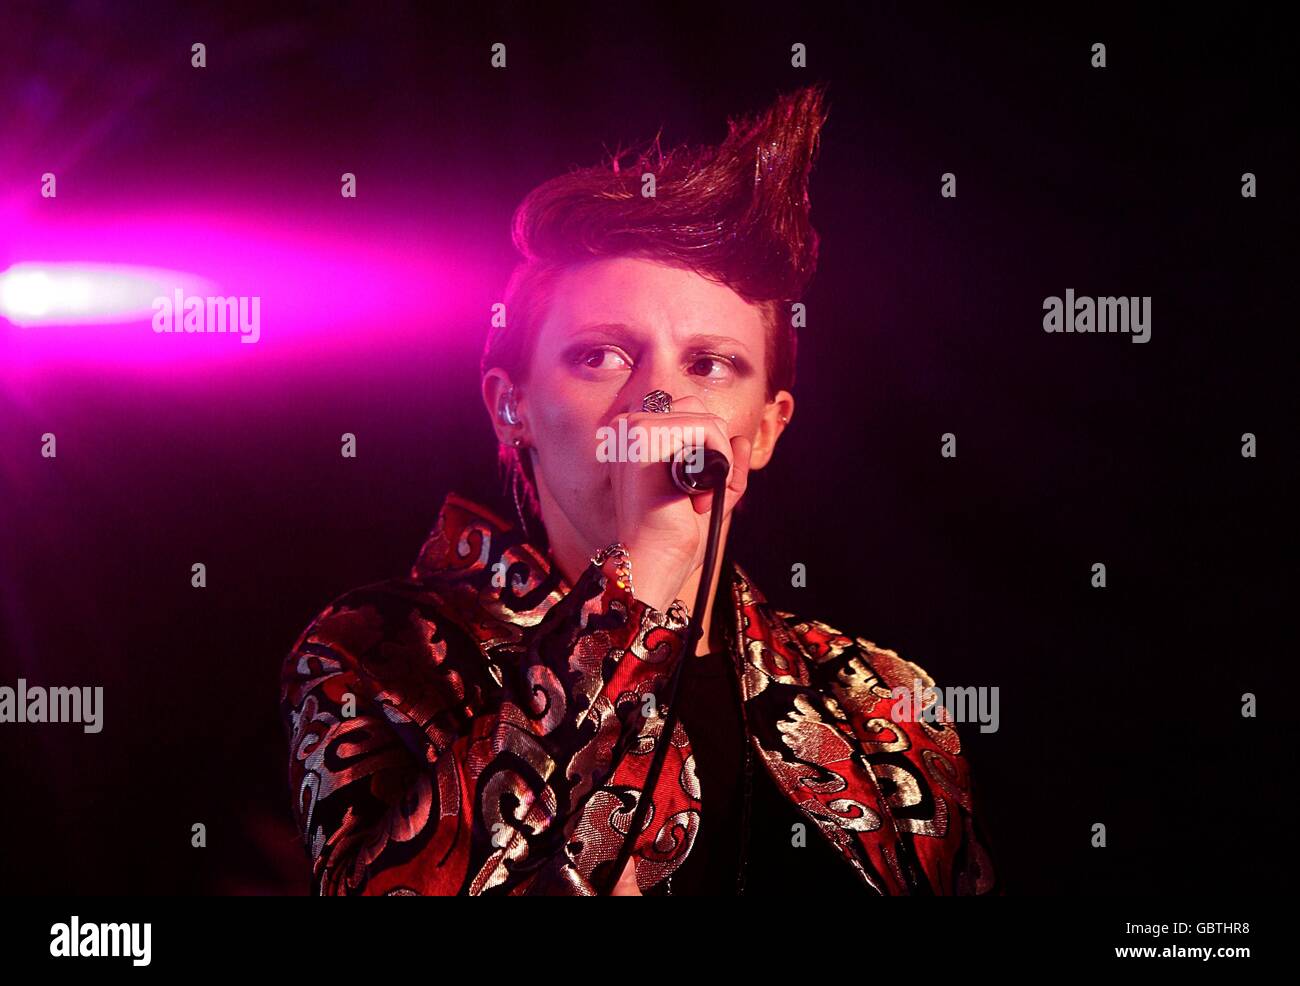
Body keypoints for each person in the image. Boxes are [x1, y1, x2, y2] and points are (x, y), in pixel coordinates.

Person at [279, 83, 1000, 896]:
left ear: (763, 429)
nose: (660, 401)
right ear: (510, 404)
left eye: (711, 364)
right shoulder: (376, 651)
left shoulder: (881, 696)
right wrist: (637, 577)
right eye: (602, 357)